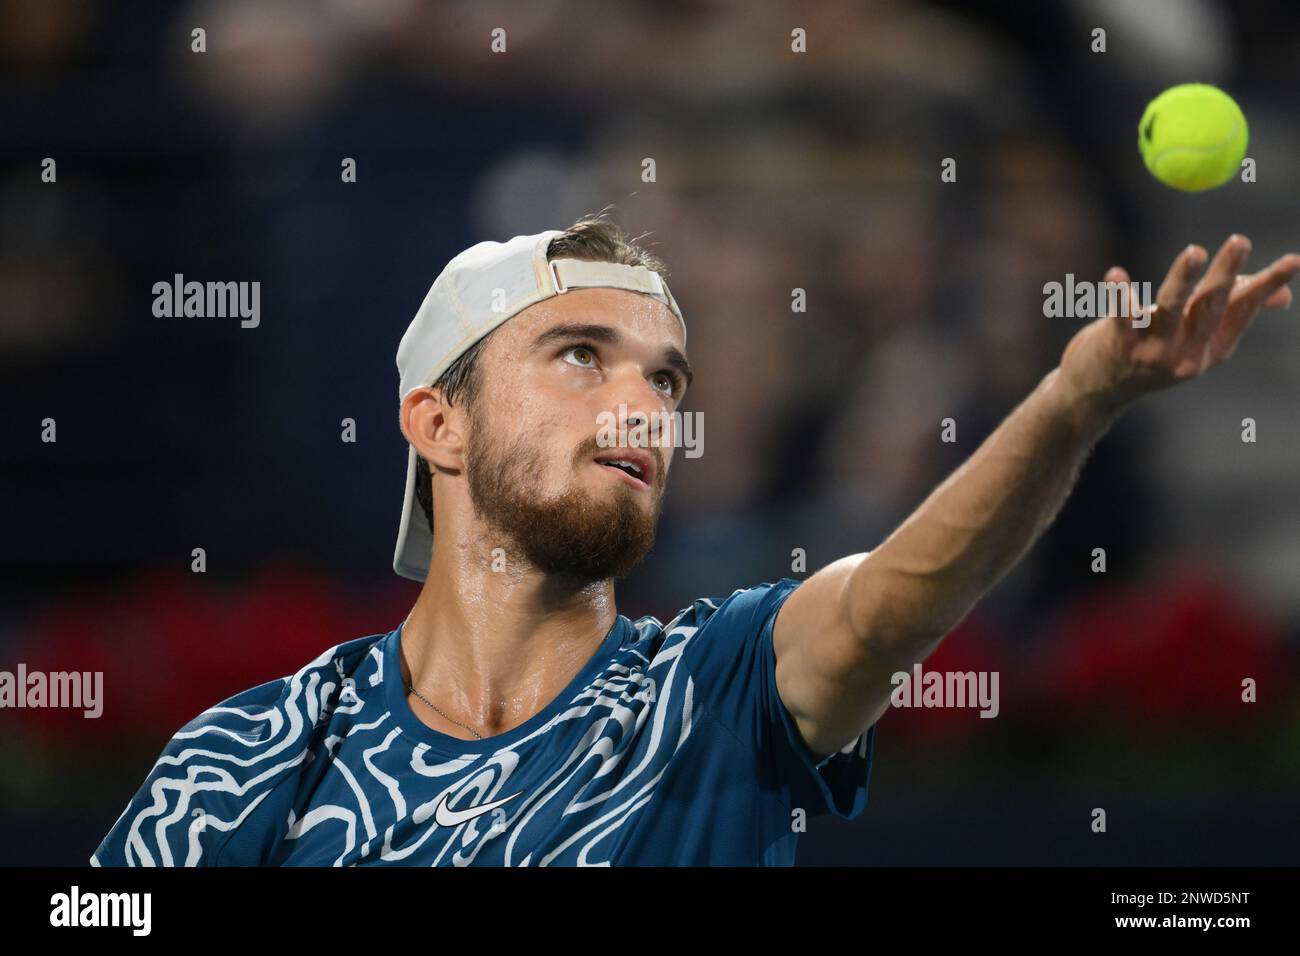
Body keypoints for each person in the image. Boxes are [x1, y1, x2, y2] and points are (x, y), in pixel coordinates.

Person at [92, 216, 1299, 866]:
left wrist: (1073, 399)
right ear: (437, 420)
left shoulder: (713, 685)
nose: (643, 408)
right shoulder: (251, 757)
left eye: (665, 379)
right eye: (580, 356)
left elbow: (888, 605)